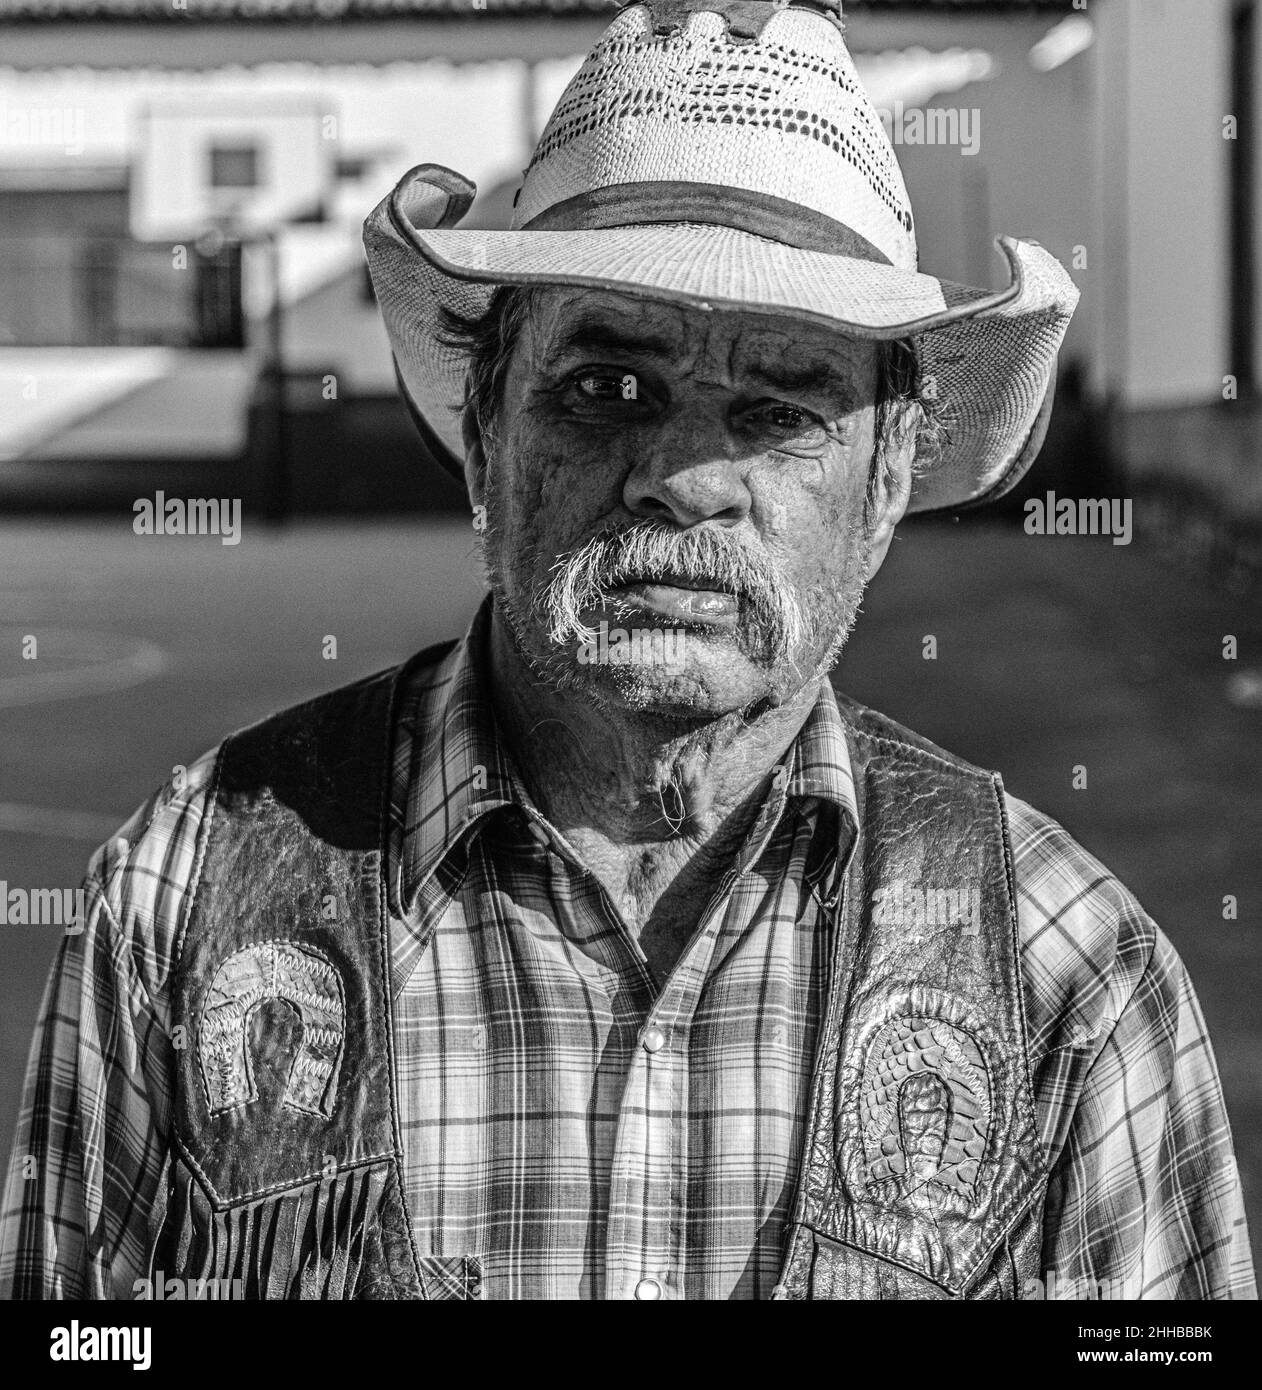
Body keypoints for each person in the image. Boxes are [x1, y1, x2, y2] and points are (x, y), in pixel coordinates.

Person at [1, 0, 1253, 1301]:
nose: (679, 480)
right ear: (483, 435)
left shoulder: (1065, 973)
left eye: (777, 409)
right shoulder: (184, 904)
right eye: (608, 389)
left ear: (886, 484)